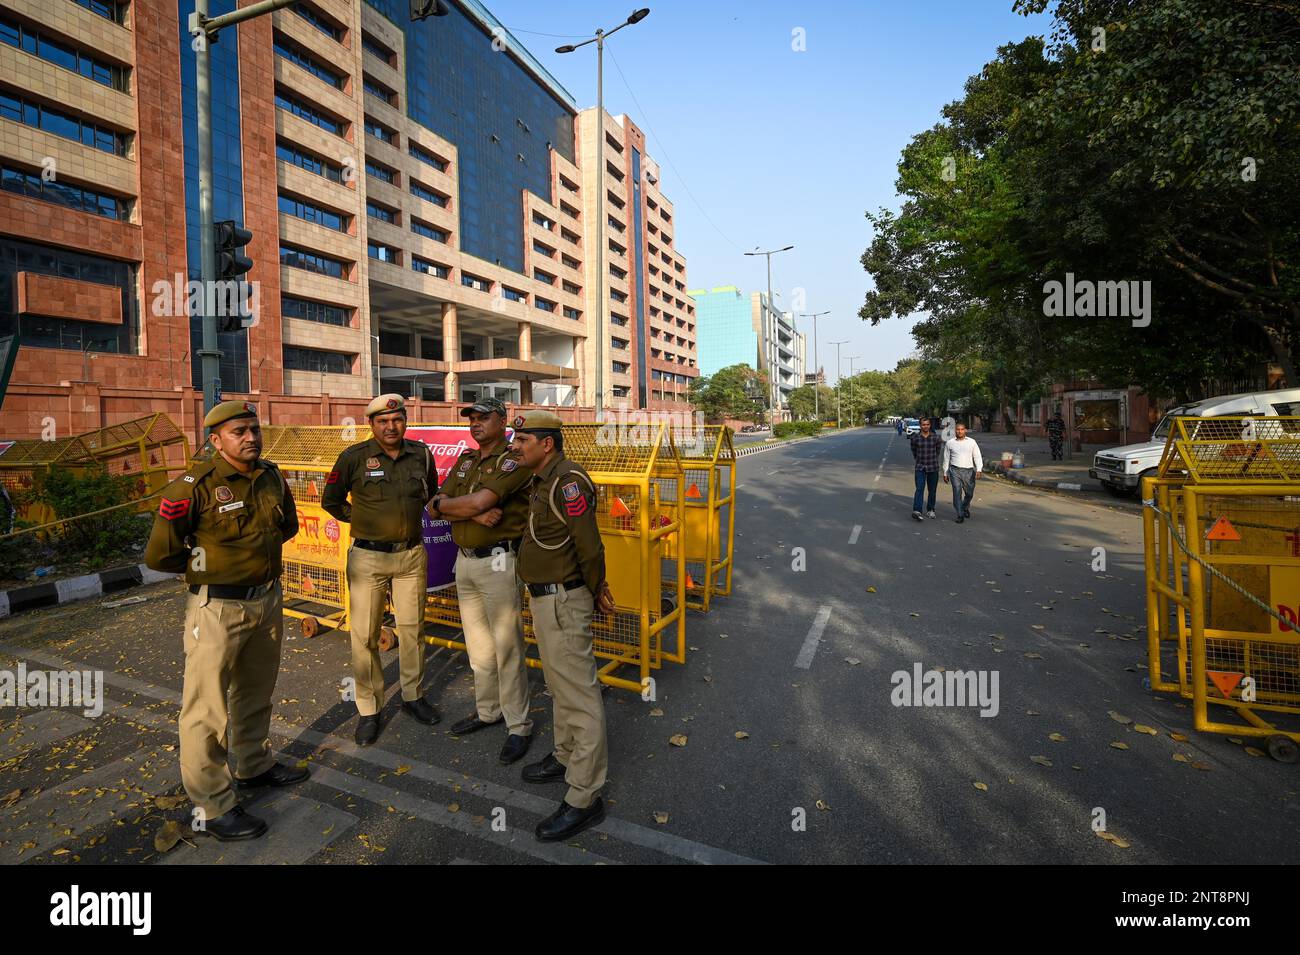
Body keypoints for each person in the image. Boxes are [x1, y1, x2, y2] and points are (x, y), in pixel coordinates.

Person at [144, 400, 306, 841]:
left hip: (267, 600)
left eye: (254, 429)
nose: (251, 437)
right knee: (206, 709)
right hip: (216, 607)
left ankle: (254, 766)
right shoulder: (191, 487)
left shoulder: (270, 476)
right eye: (240, 431)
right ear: (216, 440)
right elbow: (161, 553)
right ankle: (213, 806)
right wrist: (209, 567)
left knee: (256, 692)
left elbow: (286, 526)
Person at [511, 410, 616, 841]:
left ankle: (584, 797)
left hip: (563, 600)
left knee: (579, 694)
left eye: (523, 439)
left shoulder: (567, 480)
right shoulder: (542, 478)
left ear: (547, 444)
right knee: (559, 686)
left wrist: (595, 591)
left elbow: (588, 547)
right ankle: (566, 755)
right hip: (545, 600)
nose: (515, 445)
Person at [322, 394, 440, 746]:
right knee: (364, 635)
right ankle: (369, 710)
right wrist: (361, 521)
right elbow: (331, 501)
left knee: (412, 630)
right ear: (371, 424)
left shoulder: (421, 454)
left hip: (410, 556)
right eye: (383, 421)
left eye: (397, 419)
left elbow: (430, 493)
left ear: (405, 421)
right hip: (368, 559)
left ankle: (413, 697)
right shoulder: (353, 457)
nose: (391, 426)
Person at [430, 397, 534, 766]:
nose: (475, 424)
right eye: (471, 418)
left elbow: (475, 501)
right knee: (478, 647)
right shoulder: (467, 459)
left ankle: (519, 725)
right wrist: (470, 514)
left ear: (502, 421)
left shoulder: (514, 458)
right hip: (466, 561)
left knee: (507, 646)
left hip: (499, 561)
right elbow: (435, 503)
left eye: (483, 418)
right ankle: (488, 711)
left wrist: (462, 507)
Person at [943, 421, 984, 523]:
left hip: (969, 471)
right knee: (957, 492)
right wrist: (945, 472)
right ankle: (960, 514)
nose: (960, 431)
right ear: (955, 431)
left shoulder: (972, 442)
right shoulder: (950, 443)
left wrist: (979, 469)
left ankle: (964, 507)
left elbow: (977, 456)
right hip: (954, 471)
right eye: (958, 429)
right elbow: (946, 459)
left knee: (969, 493)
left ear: (965, 430)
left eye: (962, 429)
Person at [909, 415, 943, 521]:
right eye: (923, 425)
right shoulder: (915, 438)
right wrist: (920, 460)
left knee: (932, 490)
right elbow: (914, 451)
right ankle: (917, 510)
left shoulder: (936, 438)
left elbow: (937, 452)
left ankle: (930, 510)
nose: (925, 426)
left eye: (927, 424)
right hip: (920, 467)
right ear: (920, 426)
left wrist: (932, 460)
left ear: (930, 425)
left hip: (933, 467)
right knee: (919, 488)